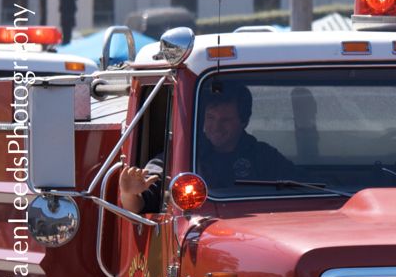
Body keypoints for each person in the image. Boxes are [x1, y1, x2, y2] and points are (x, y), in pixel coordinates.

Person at [119, 82, 299, 212]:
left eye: (225, 120)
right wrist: (129, 193)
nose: (216, 127)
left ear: (244, 121)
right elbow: (138, 206)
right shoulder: (181, 155)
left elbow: (303, 187)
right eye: (211, 118)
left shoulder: (263, 156)